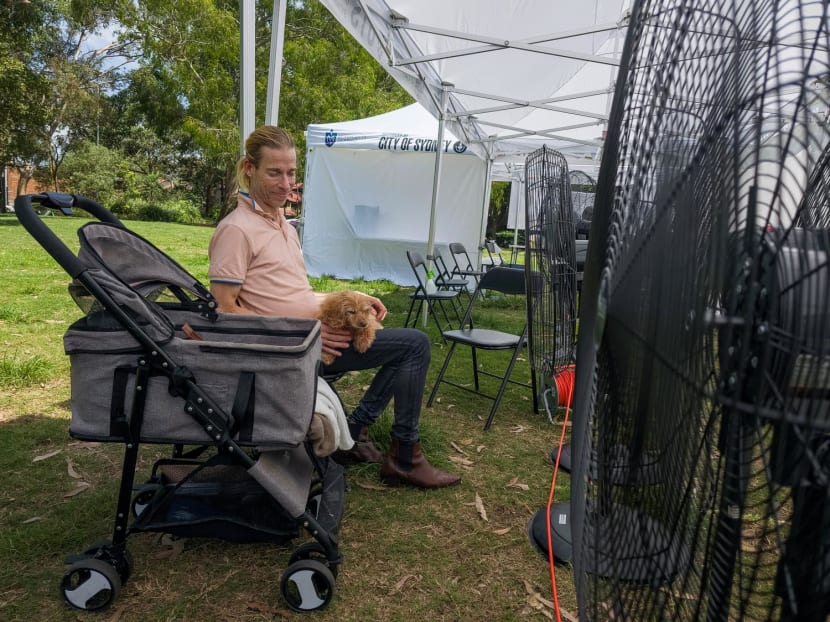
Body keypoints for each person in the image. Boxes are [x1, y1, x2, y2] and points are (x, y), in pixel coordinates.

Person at [208, 125, 460, 489]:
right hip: (290, 351)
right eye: (274, 172)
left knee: (396, 342)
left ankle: (357, 431)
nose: (285, 182)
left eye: (291, 172)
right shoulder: (237, 229)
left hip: (312, 337)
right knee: (414, 346)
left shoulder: (282, 224)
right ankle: (404, 456)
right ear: (249, 168)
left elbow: (295, 293)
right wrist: (305, 335)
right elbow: (224, 312)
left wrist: (349, 298)